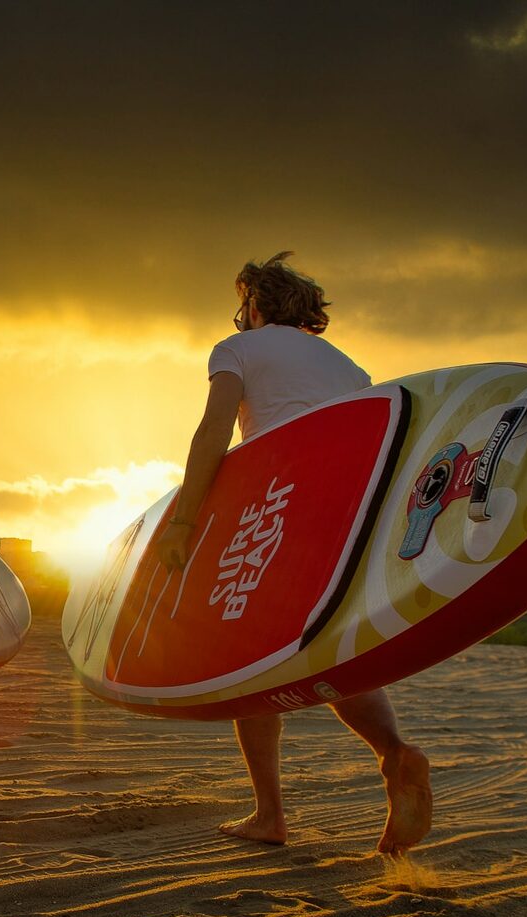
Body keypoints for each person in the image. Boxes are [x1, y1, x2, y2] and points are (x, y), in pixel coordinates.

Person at [157, 252, 432, 855]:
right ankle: (393, 753)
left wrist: (183, 522)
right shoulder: (350, 368)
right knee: (325, 645)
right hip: (348, 514)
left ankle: (269, 815)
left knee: (248, 654)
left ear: (254, 304)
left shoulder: (238, 349)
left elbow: (214, 431)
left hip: (277, 503)